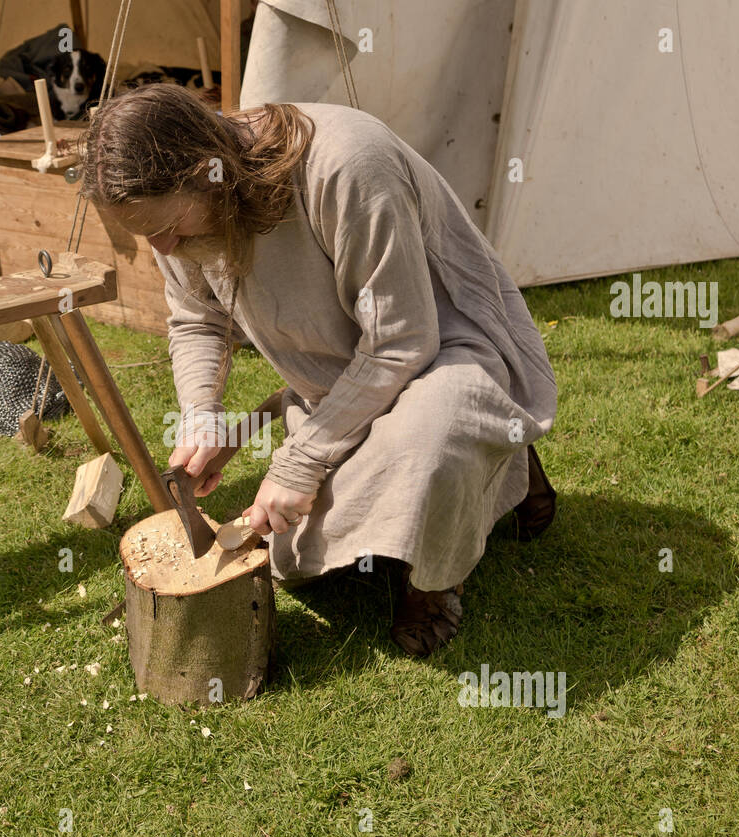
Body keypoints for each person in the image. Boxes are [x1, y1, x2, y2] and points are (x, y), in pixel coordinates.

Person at [78, 85, 558, 656]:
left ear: (210, 170)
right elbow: (198, 321)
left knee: (431, 437)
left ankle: (432, 579)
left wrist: (302, 461)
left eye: (169, 228)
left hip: (444, 355)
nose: (161, 245)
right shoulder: (171, 213)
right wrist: (201, 418)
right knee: (304, 535)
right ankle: (485, 469)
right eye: (147, 235)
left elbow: (401, 339)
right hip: (335, 381)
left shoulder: (347, 166)